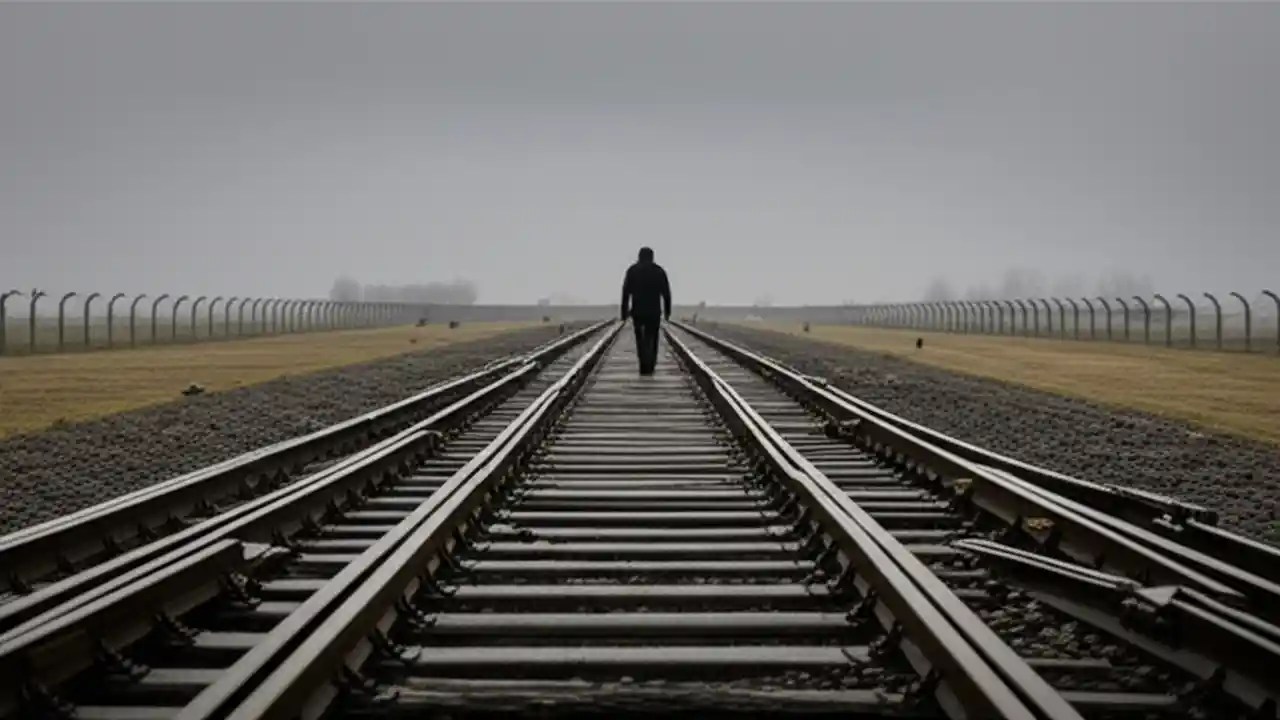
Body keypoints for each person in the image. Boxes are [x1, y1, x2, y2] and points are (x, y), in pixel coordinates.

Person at [620, 246, 671, 375]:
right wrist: (667, 311)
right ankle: (651, 363)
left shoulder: (632, 271)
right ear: (652, 257)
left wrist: (624, 312)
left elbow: (626, 292)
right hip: (654, 311)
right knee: (652, 337)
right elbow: (666, 293)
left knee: (640, 338)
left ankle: (643, 363)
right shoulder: (659, 271)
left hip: (638, 311)